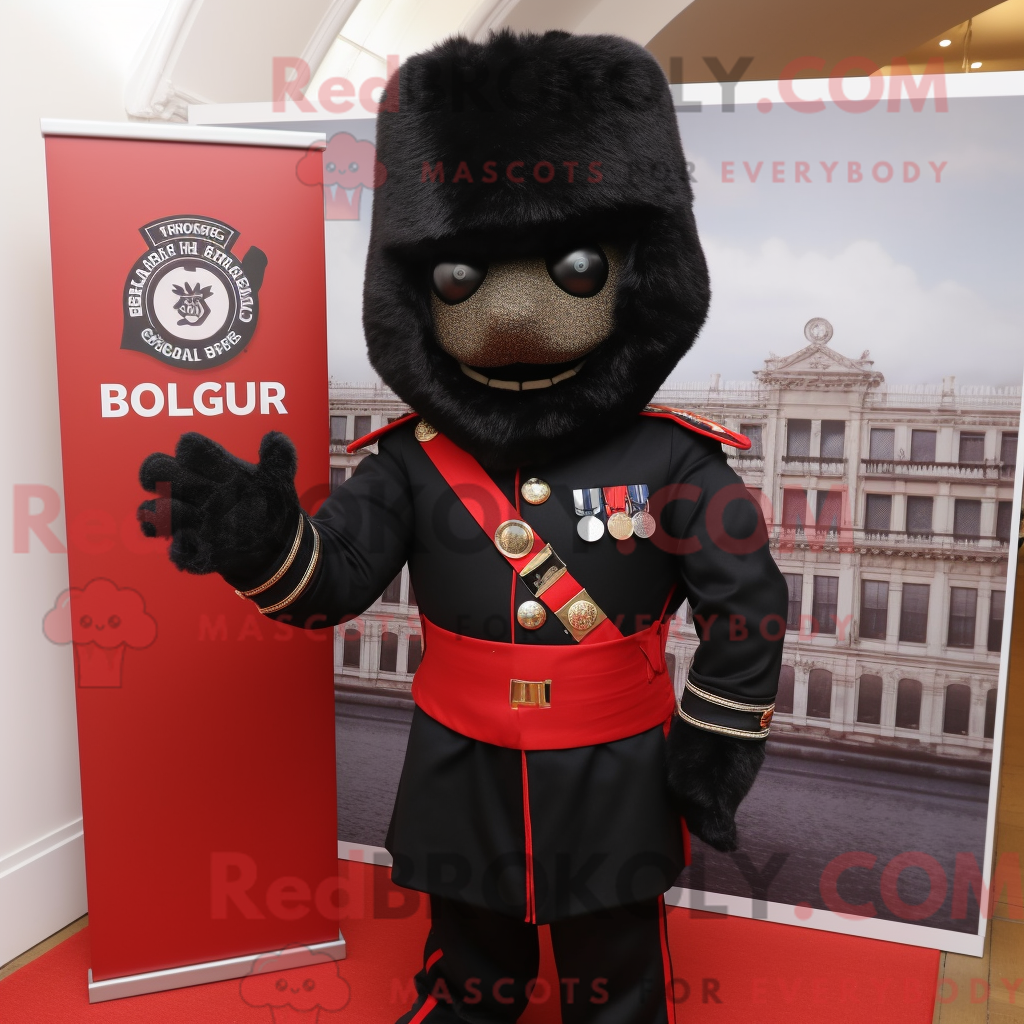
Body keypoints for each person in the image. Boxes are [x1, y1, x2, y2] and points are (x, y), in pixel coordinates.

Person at [138, 30, 788, 1024]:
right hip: (461, 756)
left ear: (636, 267)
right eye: (458, 280)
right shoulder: (408, 458)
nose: (513, 313)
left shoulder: (676, 459)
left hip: (609, 764)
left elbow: (745, 607)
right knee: (469, 939)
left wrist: (713, 743)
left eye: (574, 265)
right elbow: (336, 576)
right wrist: (262, 540)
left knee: (612, 956)